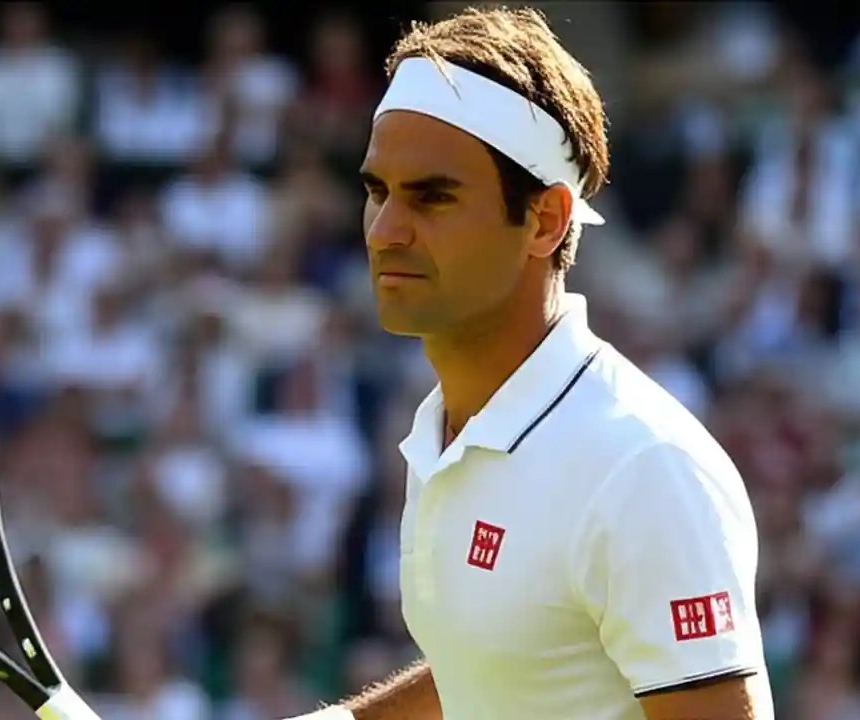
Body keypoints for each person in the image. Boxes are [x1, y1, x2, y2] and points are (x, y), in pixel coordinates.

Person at [288, 7, 774, 720]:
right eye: (376, 192)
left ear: (545, 220)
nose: (386, 231)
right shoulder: (447, 432)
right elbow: (504, 664)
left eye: (433, 196)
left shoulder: (644, 467)